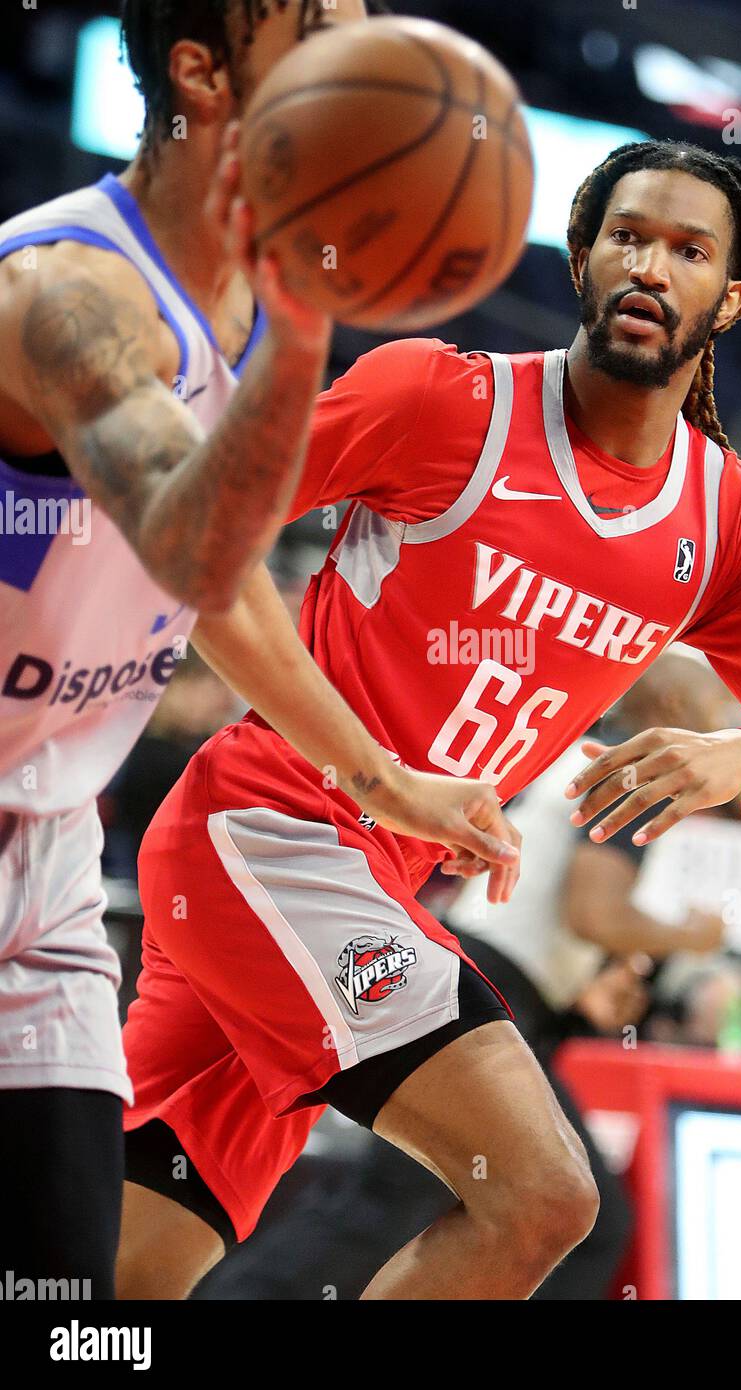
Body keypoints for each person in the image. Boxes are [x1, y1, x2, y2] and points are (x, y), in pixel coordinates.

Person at [117, 138, 741, 1301]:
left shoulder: (739, 518)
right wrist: (377, 777)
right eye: (628, 236)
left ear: (730, 297)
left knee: (111, 1279)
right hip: (268, 831)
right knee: (545, 1194)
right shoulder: (440, 399)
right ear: (582, 255)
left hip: (341, 882)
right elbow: (193, 530)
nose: (649, 267)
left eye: (687, 250)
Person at [0, 0, 517, 1301]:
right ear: (202, 70)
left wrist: (379, 776)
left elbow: (228, 600)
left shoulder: (237, 293)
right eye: (326, 30)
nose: (370, 57)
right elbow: (192, 548)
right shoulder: (65, 291)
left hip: (46, 848)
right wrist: (304, 321)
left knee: (73, 1298)